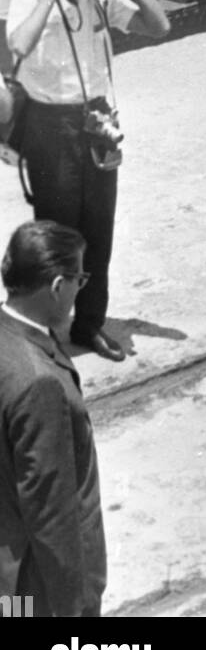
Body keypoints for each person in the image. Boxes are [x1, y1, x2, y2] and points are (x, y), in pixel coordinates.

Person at [6, 0, 170, 362]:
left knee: (99, 232)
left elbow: (159, 26)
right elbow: (17, 46)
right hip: (49, 125)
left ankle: (89, 324)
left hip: (95, 123)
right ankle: (43, 329)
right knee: (56, 237)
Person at [0, 221, 107, 617]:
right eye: (80, 279)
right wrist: (74, 608)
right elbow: (52, 515)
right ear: (59, 285)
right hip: (34, 586)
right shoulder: (39, 383)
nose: (82, 288)